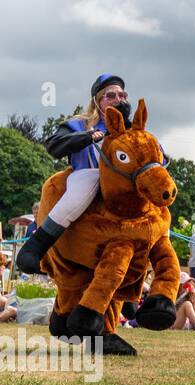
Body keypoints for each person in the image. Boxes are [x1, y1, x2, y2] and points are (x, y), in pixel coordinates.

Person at [17, 74, 136, 273]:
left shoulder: (132, 130)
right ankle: (36, 246)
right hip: (87, 178)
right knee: (92, 178)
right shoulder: (79, 125)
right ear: (97, 102)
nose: (118, 100)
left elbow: (156, 155)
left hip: (120, 190)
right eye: (111, 96)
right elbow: (53, 145)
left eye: (122, 95)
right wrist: (87, 137)